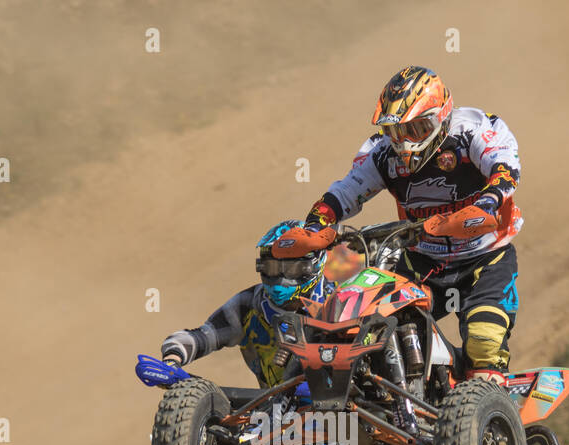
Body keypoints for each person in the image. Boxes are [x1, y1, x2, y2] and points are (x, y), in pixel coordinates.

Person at [271, 65, 522, 383]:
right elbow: (348, 189)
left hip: (486, 258)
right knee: (363, 320)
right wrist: (316, 225)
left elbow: (505, 168)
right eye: (395, 133)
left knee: (484, 342)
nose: (403, 143)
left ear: (440, 118)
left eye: (415, 129)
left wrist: (486, 204)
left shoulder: (474, 129)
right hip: (422, 260)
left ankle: (489, 406)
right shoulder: (380, 153)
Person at [160, 220, 334, 387]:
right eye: (272, 268)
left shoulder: (339, 300)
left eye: (291, 268)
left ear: (314, 264)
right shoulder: (248, 305)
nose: (281, 277)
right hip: (277, 410)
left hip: (341, 405)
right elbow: (204, 336)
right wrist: (171, 360)